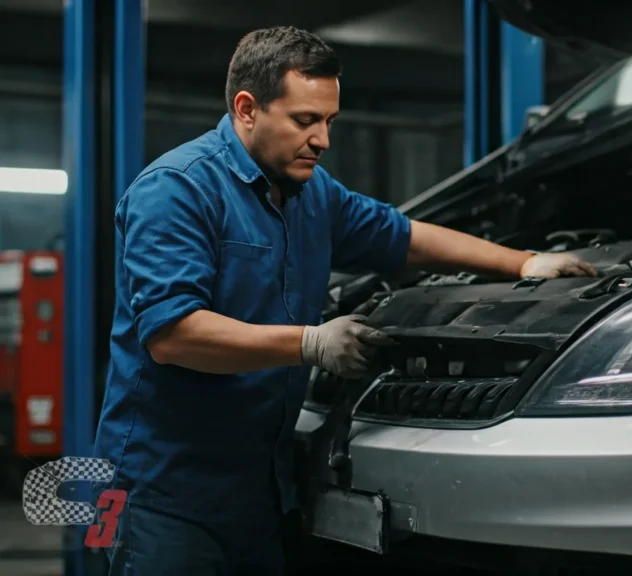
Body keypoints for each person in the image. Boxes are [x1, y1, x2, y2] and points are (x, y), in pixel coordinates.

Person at [91, 25, 596, 576]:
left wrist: (522, 262)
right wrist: (311, 343)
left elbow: (404, 238)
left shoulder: (314, 193)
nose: (323, 140)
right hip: (157, 493)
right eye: (305, 120)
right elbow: (173, 336)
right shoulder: (176, 189)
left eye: (329, 121)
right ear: (247, 109)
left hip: (259, 489)